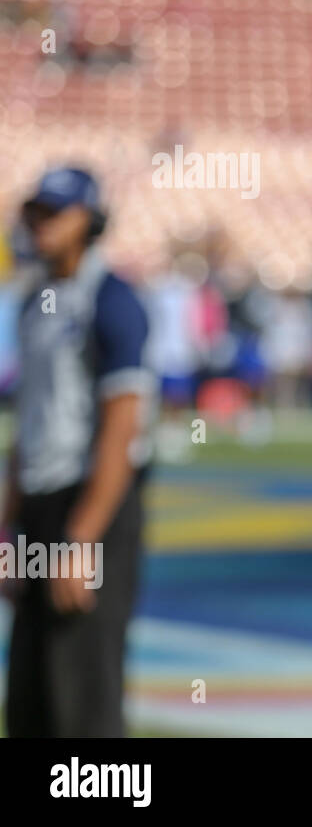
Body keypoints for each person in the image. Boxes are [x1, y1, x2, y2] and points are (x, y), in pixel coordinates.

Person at [1, 167, 154, 737]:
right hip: (40, 507)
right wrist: (7, 528)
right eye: (36, 211)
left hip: (90, 506)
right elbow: (28, 424)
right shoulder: (33, 301)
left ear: (87, 220)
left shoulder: (112, 300)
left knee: (83, 691)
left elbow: (120, 430)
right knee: (32, 689)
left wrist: (81, 538)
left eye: (56, 212)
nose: (41, 224)